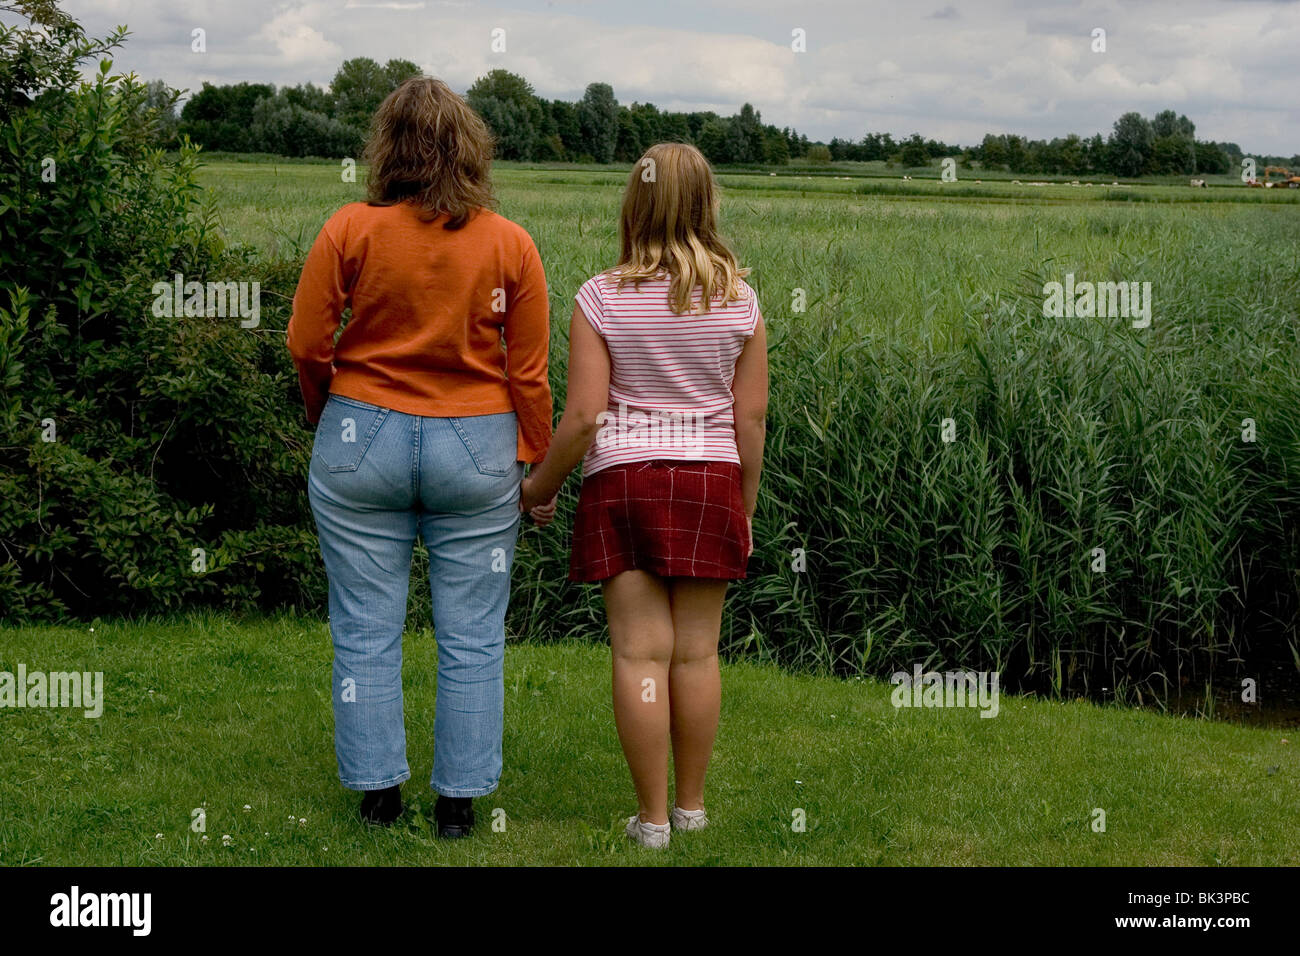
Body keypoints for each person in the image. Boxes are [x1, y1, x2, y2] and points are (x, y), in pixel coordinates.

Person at [286, 77, 554, 837]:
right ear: (470, 150)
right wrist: (535, 466)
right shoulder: (510, 243)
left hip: (358, 434)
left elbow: (308, 343)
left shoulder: (349, 228)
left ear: (387, 148)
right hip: (477, 444)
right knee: (471, 632)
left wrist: (327, 415)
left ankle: (378, 795)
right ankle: (459, 809)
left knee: (365, 625)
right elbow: (528, 372)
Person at [520, 142, 769, 848]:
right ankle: (692, 808)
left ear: (636, 202)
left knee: (639, 654)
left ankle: (652, 822)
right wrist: (742, 509)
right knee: (696, 654)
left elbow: (583, 418)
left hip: (624, 481)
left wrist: (539, 488)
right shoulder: (740, 302)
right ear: (705, 204)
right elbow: (750, 420)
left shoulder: (600, 297)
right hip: (710, 482)